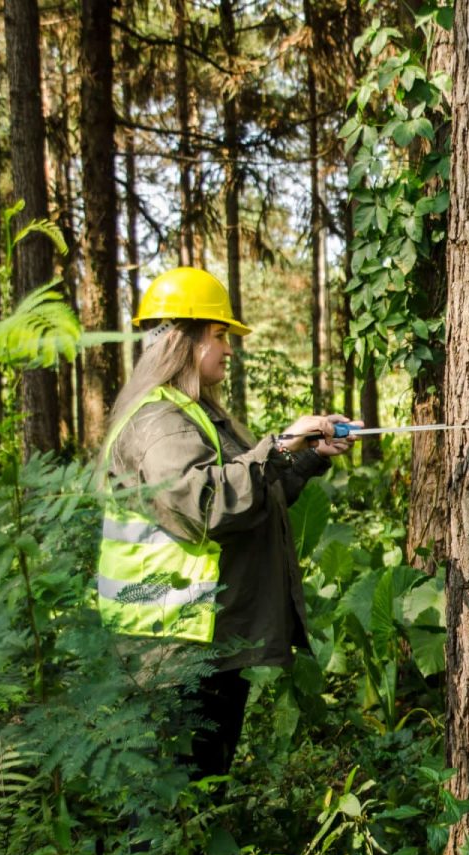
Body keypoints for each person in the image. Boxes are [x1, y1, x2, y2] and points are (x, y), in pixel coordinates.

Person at [96, 266, 357, 778]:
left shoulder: (194, 415)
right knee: (176, 793)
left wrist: (306, 456)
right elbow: (207, 504)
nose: (228, 349)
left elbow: (250, 496)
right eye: (219, 335)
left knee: (202, 786)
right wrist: (278, 445)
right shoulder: (159, 423)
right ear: (183, 340)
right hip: (172, 649)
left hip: (204, 638)